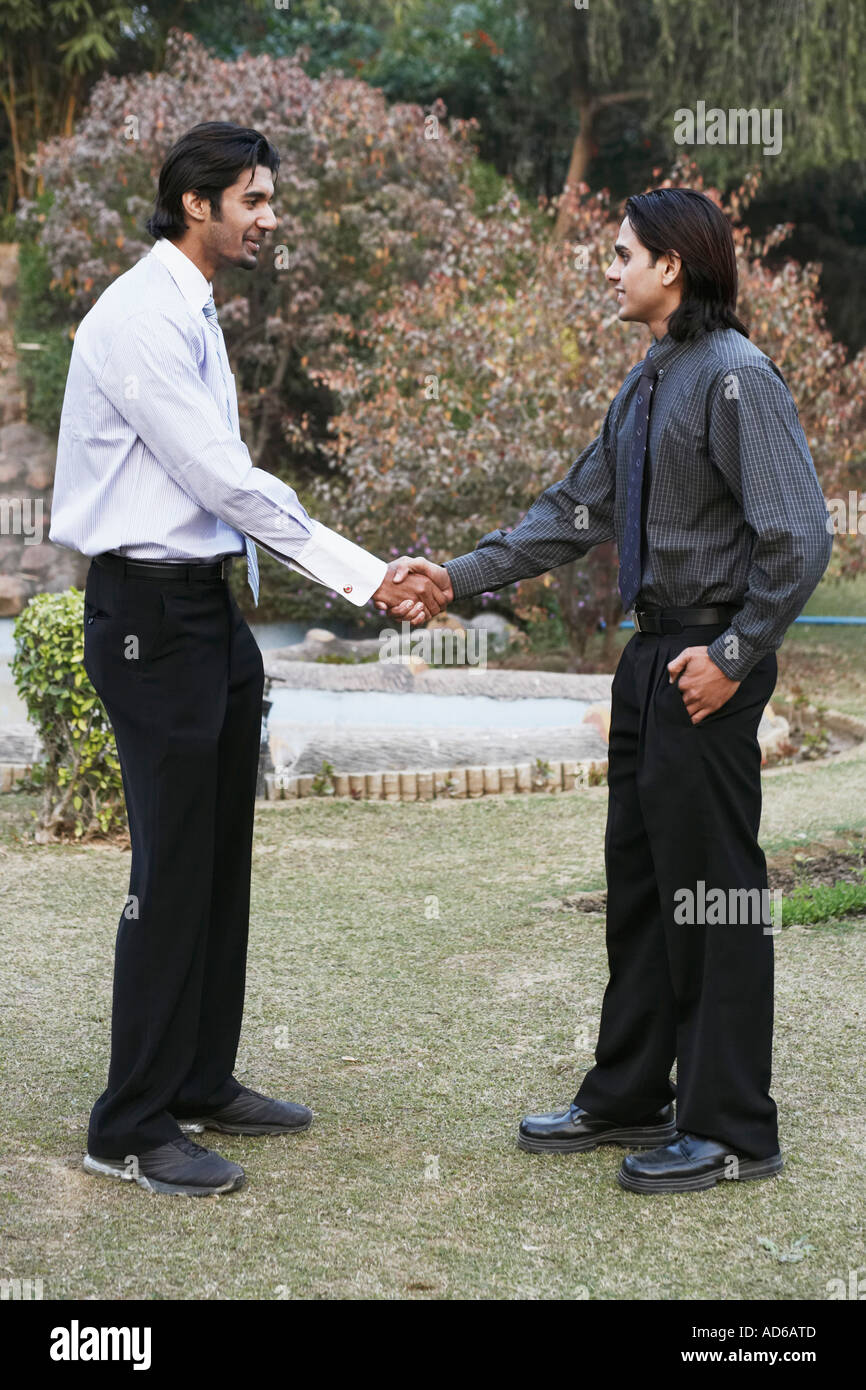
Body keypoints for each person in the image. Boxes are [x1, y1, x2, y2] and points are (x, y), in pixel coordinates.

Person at [388, 187, 833, 1194]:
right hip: (648, 660)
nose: (609, 267)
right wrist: (451, 576)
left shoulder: (735, 377)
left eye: (623, 252)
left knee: (715, 897)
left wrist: (733, 654)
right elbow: (572, 511)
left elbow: (801, 535)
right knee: (639, 887)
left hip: (705, 663)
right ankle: (632, 1091)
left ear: (671, 265)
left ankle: (731, 1128)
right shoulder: (649, 378)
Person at [49, 121, 444, 1197]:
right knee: (171, 871)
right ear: (198, 204)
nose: (270, 217)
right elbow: (221, 478)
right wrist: (368, 577)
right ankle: (128, 1125)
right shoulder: (139, 316)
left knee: (218, 859)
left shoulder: (191, 305)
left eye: (269, 198)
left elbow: (216, 486)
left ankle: (198, 1077)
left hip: (203, 610)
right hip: (148, 617)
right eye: (254, 199)